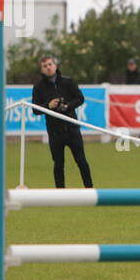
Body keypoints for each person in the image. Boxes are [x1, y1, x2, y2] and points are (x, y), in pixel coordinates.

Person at [31, 54, 94, 188]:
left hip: (72, 129)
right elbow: (35, 110)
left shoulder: (68, 82)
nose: (48, 67)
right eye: (44, 66)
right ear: (41, 70)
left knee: (81, 161)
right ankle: (60, 193)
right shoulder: (38, 87)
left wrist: (68, 106)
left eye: (50, 64)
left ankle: (89, 189)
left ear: (56, 65)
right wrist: (48, 106)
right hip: (54, 132)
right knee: (58, 164)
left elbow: (80, 98)